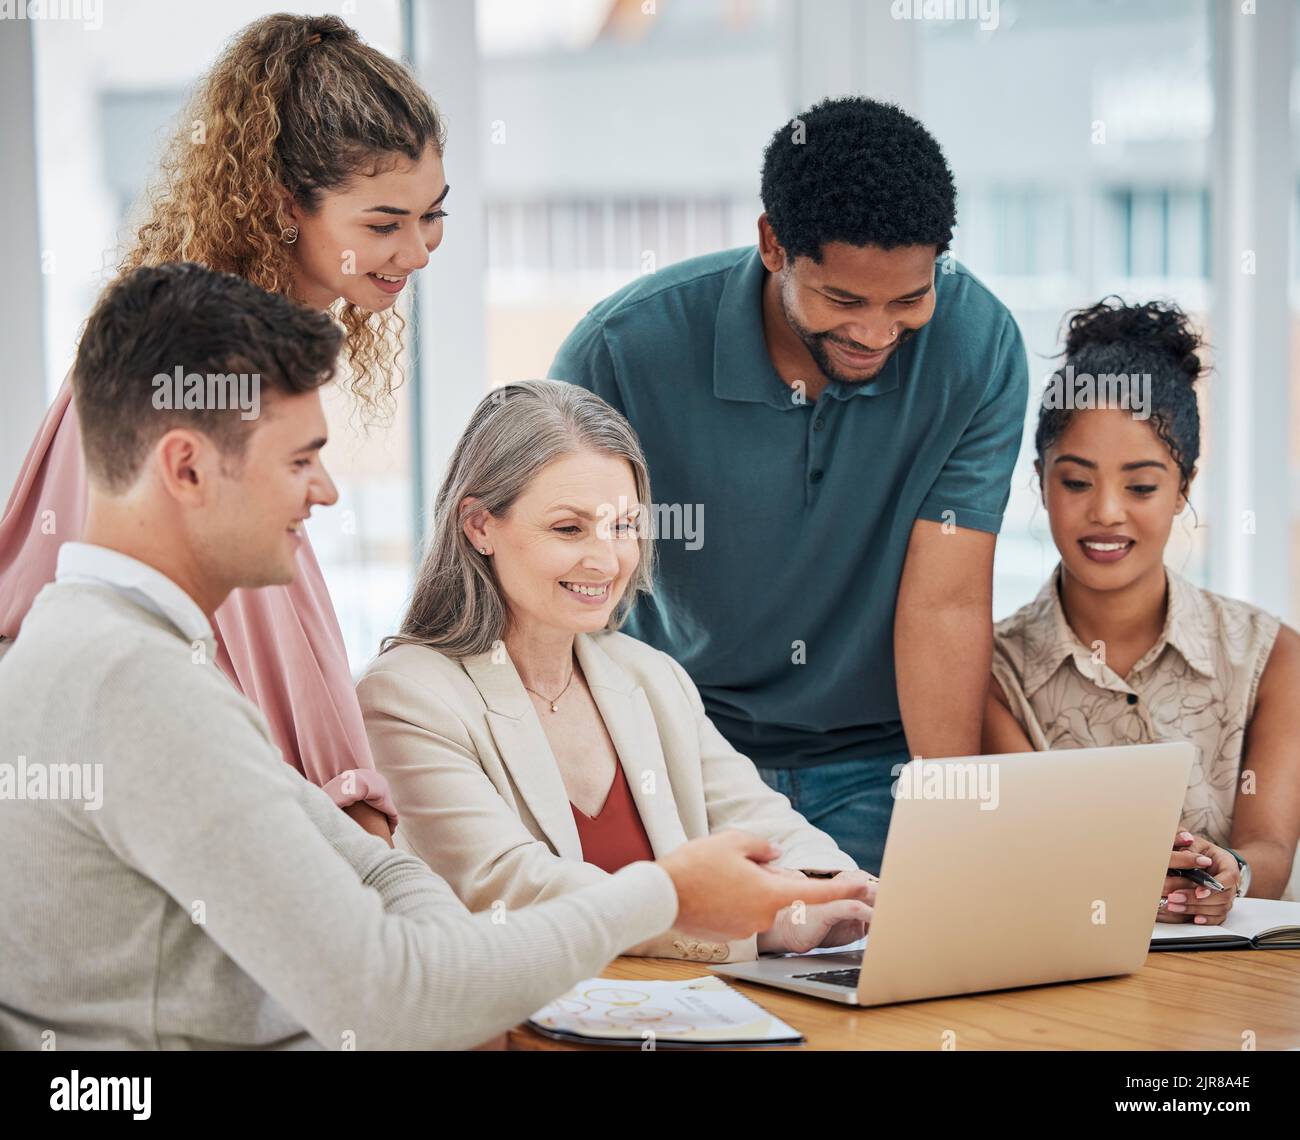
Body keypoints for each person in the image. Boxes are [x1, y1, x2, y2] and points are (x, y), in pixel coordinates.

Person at [0, 264, 858, 1051]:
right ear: (186, 468)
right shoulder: (138, 687)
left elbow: (373, 867)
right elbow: (397, 998)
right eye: (301, 459)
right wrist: (666, 893)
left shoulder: (106, 646)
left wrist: (433, 944)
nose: (326, 490)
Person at [0, 13, 456, 842]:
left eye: (434, 216)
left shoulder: (264, 369)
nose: (418, 252)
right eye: (384, 224)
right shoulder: (183, 380)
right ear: (286, 206)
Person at [547, 96, 1028, 873]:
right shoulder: (621, 353)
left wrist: (952, 829)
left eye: (908, 299)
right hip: (680, 758)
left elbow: (945, 604)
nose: (877, 332)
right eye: (844, 300)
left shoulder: (977, 346)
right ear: (773, 244)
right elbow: (562, 594)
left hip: (880, 765)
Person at [358, 381, 877, 963]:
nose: (607, 560)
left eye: (624, 526)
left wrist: (835, 891)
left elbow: (763, 824)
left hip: (675, 1015)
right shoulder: (404, 696)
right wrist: (756, 928)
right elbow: (508, 886)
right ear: (479, 525)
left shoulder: (651, 677)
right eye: (568, 528)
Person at [983, 298, 1300, 915]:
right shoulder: (992, 670)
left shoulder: (1274, 657)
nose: (1105, 512)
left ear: (1184, 487)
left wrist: (1226, 873)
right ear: (1039, 480)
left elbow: (1270, 847)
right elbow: (1032, 852)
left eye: (1142, 485)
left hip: (1240, 986)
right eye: (1076, 481)